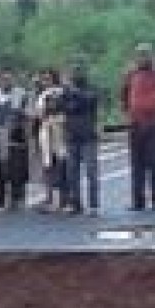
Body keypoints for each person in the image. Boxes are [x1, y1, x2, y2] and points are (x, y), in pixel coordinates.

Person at [120, 43, 155, 212]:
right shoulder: (131, 75)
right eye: (140, 55)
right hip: (136, 124)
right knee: (136, 164)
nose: (143, 58)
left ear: (152, 57)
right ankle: (138, 200)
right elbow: (123, 94)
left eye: (146, 55)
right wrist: (128, 111)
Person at [58, 62, 102, 214]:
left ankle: (94, 205)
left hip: (88, 136)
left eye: (78, 72)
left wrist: (73, 94)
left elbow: (88, 100)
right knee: (72, 172)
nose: (75, 75)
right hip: (71, 135)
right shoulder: (66, 92)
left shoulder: (90, 88)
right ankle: (76, 203)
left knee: (91, 171)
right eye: (73, 72)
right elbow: (62, 106)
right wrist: (70, 97)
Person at [0, 66, 32, 209]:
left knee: (15, 166)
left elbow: (27, 112)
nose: (6, 81)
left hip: (15, 133)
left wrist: (24, 128)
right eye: (3, 79)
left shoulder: (21, 93)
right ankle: (0, 197)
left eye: (9, 78)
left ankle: (17, 196)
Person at [31, 67, 68, 211]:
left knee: (60, 162)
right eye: (44, 79)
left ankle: (63, 198)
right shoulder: (42, 94)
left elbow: (62, 109)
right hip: (45, 128)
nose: (46, 81)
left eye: (48, 78)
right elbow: (39, 113)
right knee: (47, 164)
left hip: (59, 127)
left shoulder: (61, 91)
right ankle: (49, 197)